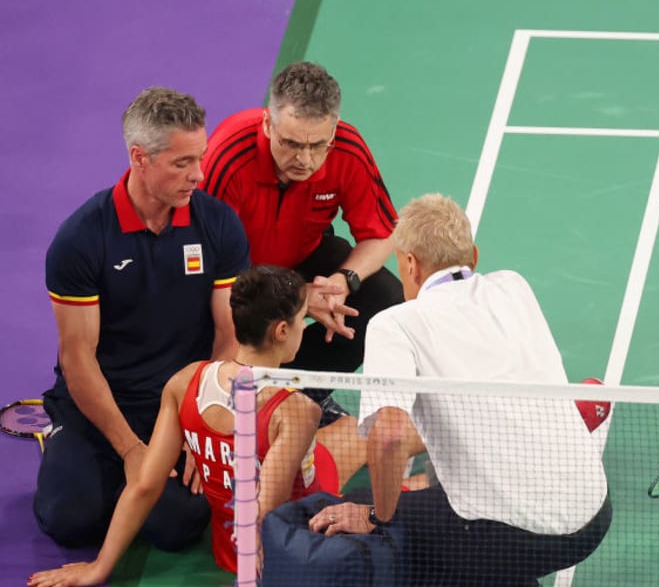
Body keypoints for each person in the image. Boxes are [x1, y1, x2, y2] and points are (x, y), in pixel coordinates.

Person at [307, 194, 612, 586]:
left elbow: (388, 438)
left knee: (372, 501)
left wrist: (377, 519)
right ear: (474, 256)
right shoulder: (514, 287)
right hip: (594, 515)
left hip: (512, 538)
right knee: (445, 508)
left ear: (411, 264)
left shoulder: (395, 324)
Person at [29, 265, 360, 586]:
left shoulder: (185, 381)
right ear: (282, 331)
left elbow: (144, 485)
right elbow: (264, 515)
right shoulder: (298, 410)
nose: (303, 328)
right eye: (302, 320)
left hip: (228, 550)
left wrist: (100, 567)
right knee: (375, 431)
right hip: (292, 550)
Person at [35, 87, 250, 552]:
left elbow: (230, 336)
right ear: (140, 158)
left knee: (178, 524)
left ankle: (119, 487)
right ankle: (74, 452)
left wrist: (201, 421)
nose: (199, 174)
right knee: (68, 521)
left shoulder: (218, 225)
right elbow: (77, 358)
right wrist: (132, 450)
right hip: (97, 401)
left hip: (174, 403)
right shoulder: (82, 238)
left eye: (201, 158)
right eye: (182, 163)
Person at [201, 61, 404, 418]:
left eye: (317, 145)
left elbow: (383, 234)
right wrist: (296, 299)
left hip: (302, 252)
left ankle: (298, 395)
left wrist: (341, 282)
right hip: (234, 271)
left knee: (382, 297)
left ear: (334, 130)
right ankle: (223, 395)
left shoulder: (347, 150)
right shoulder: (229, 158)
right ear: (267, 123)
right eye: (290, 143)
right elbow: (208, 266)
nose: (304, 159)